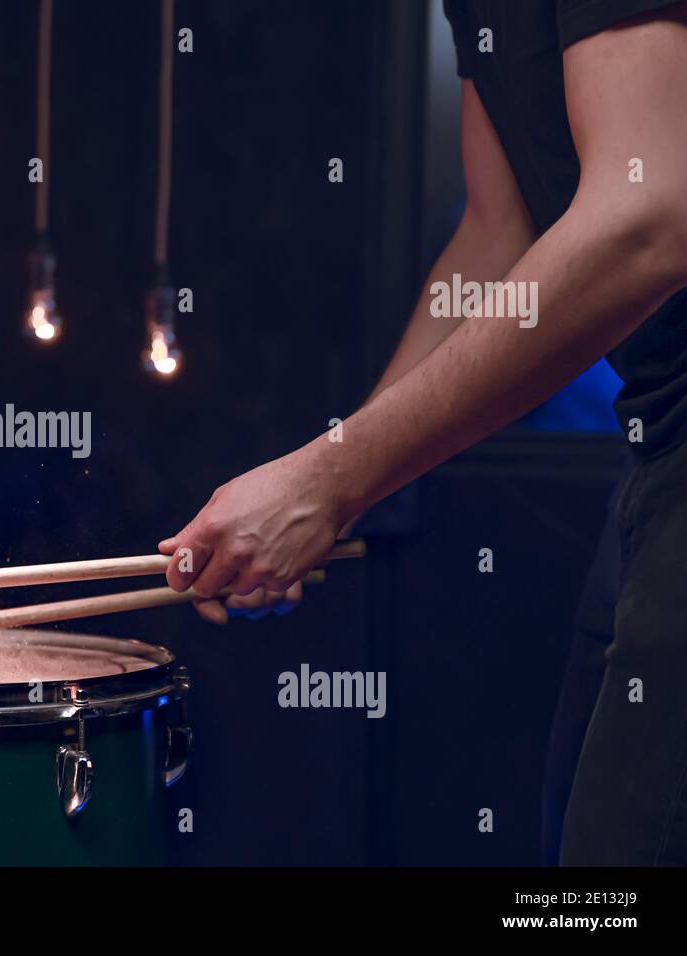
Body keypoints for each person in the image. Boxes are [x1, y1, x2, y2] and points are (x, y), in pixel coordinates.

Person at [160, 0, 687, 866]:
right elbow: (498, 233)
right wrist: (348, 481)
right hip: (660, 440)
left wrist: (328, 481)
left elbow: (646, 219)